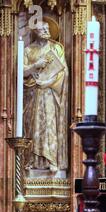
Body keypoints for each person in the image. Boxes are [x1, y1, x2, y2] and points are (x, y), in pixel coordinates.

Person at [23, 17, 69, 172]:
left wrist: (48, 83)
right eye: (43, 30)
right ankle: (32, 158)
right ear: (36, 32)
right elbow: (20, 71)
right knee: (33, 125)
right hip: (33, 94)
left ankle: (51, 159)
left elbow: (63, 72)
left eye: (48, 29)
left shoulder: (57, 49)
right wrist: (35, 65)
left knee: (49, 125)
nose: (47, 32)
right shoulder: (29, 50)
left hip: (50, 93)